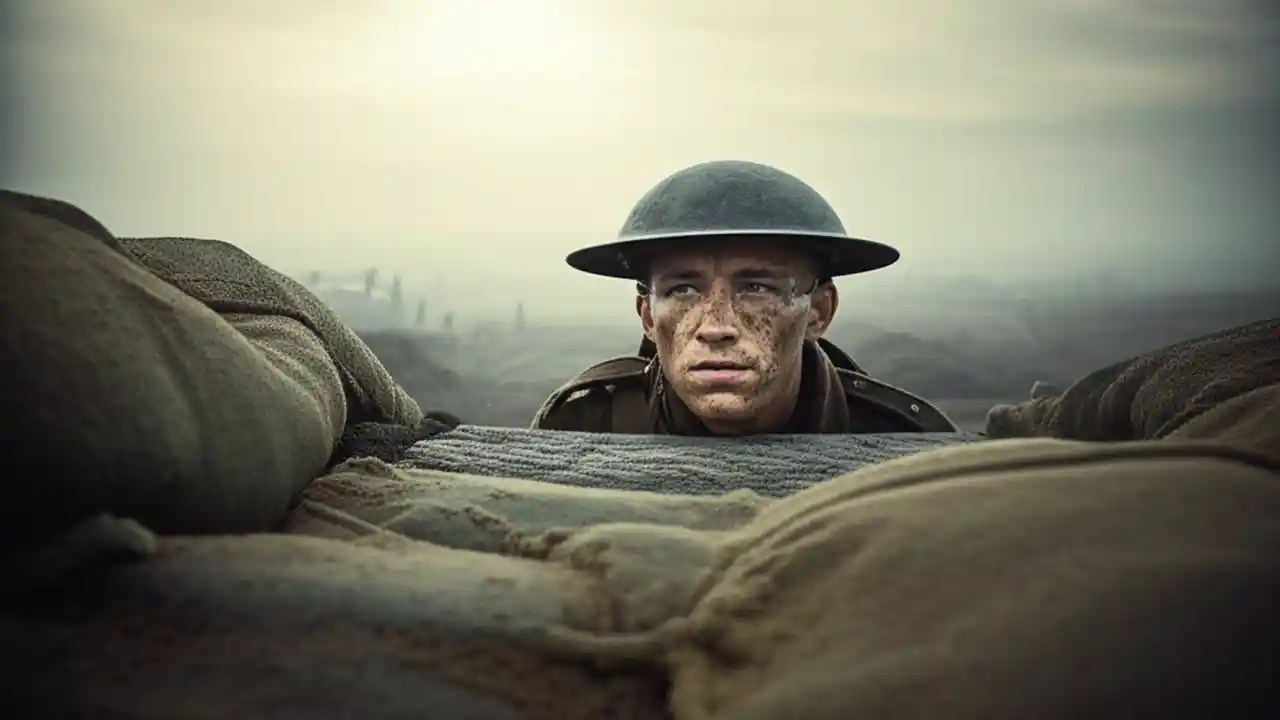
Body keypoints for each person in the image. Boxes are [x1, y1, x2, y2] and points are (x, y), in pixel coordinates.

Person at [533, 160, 959, 435]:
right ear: (647, 315)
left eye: (756, 288)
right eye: (683, 289)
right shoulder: (583, 424)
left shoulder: (901, 438)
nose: (716, 327)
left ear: (818, 312)